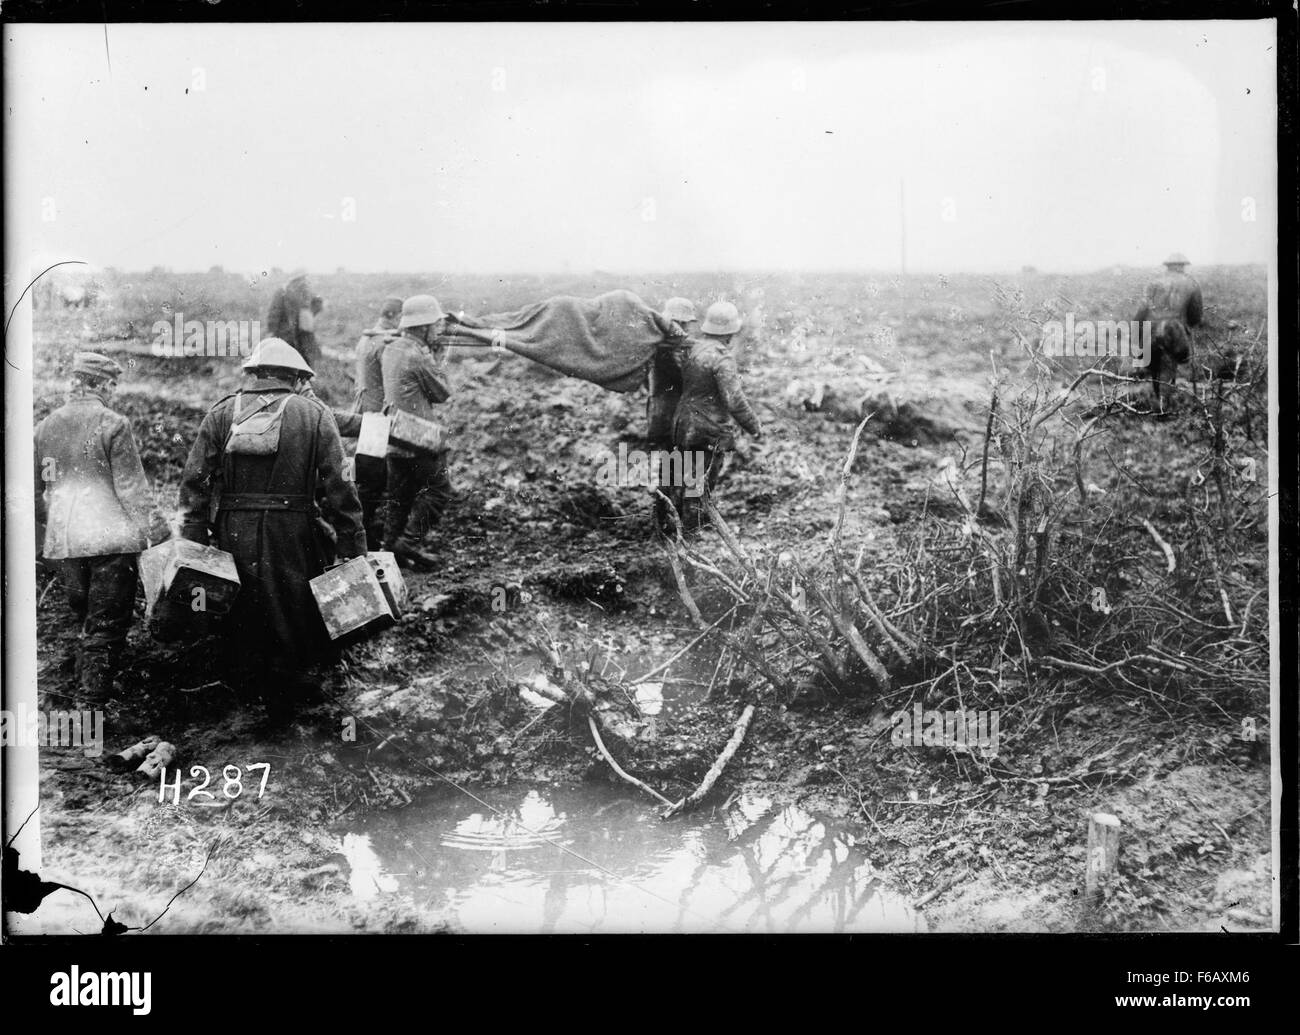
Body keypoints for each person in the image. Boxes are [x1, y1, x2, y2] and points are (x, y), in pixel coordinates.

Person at [177, 338, 365, 708]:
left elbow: (194, 483)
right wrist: (351, 547)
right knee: (295, 603)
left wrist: (195, 545)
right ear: (296, 378)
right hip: (293, 530)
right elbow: (340, 485)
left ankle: (247, 687)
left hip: (233, 529)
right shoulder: (313, 414)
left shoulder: (221, 413)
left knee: (240, 602)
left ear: (252, 374)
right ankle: (295, 688)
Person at [34, 352, 170, 700]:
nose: (113, 391)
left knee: (85, 619)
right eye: (112, 384)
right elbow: (131, 489)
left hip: (64, 543)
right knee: (106, 625)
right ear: (101, 384)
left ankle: (83, 690)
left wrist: (47, 535)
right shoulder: (113, 424)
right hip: (110, 541)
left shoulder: (44, 427)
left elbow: (33, 492)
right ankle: (91, 706)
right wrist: (161, 535)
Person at [670, 301, 763, 529]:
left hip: (683, 424)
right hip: (708, 430)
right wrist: (753, 426)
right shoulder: (723, 359)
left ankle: (670, 528)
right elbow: (734, 400)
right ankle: (692, 534)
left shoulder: (694, 349)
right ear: (731, 333)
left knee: (680, 478)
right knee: (700, 485)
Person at [382, 294, 455, 570]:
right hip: (418, 437)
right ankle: (409, 543)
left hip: (395, 435)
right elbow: (442, 393)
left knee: (400, 496)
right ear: (422, 326)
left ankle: (389, 550)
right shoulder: (417, 355)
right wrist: (436, 355)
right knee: (440, 491)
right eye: (434, 324)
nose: (438, 329)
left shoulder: (392, 349)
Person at [350, 296, 404, 550]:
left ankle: (364, 534)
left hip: (367, 413)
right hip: (376, 417)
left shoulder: (368, 337)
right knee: (373, 481)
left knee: (369, 478)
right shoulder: (384, 342)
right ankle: (365, 537)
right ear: (394, 316)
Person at [1135, 252, 1204, 409]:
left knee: (1155, 366)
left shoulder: (1153, 282)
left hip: (1151, 329)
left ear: (1167, 266)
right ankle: (1163, 407)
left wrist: (1138, 329)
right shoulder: (1192, 283)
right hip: (1174, 329)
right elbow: (1196, 315)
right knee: (1168, 367)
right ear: (1182, 266)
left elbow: (1141, 310)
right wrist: (1187, 326)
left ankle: (1160, 402)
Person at [265, 272, 320, 370]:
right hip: (287, 335)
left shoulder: (304, 292)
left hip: (299, 335)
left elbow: (316, 304)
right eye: (301, 280)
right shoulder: (283, 292)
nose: (303, 283)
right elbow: (274, 315)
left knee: (301, 360)